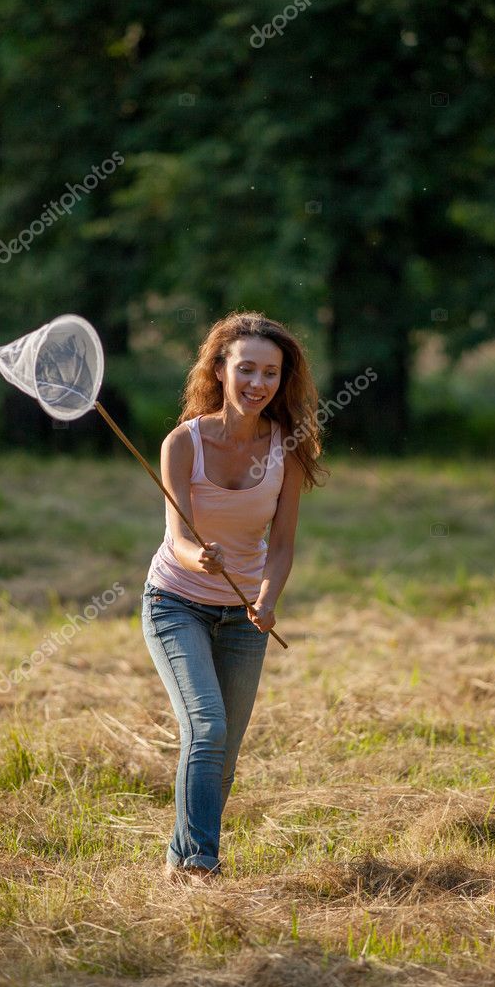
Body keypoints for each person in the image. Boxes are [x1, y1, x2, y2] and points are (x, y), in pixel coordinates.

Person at [141, 310, 329, 884]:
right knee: (207, 726)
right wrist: (201, 555)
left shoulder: (287, 449)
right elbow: (179, 535)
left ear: (282, 380)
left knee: (224, 752)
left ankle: (180, 860)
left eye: (270, 373)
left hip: (245, 613)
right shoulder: (184, 444)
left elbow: (282, 544)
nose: (257, 383)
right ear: (220, 370)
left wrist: (268, 598)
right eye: (245, 368)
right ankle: (201, 867)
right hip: (176, 603)